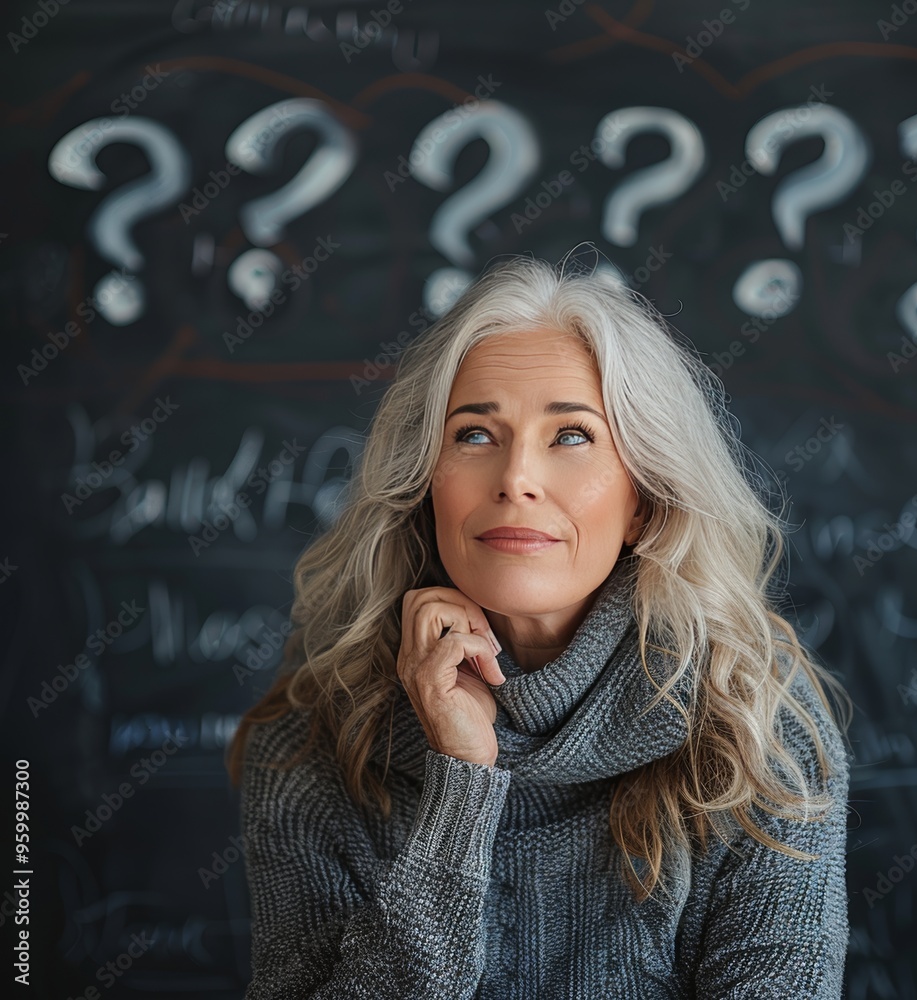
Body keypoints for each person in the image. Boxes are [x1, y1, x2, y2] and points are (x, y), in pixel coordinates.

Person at [225, 248, 855, 999]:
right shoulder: (308, 744)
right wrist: (461, 787)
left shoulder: (755, 723)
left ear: (645, 501)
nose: (516, 478)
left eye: (572, 436)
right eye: (475, 435)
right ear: (426, 484)